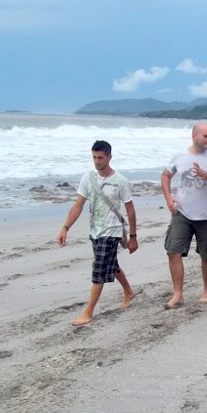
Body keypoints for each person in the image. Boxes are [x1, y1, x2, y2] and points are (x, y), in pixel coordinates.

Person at [57, 140, 139, 327]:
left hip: (112, 231)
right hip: (95, 230)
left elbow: (131, 210)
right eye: (94, 157)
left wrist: (133, 237)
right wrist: (65, 228)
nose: (97, 161)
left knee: (99, 269)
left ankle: (88, 311)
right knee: (110, 263)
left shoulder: (120, 181)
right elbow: (78, 205)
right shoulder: (88, 177)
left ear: (109, 157)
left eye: (101, 158)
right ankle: (128, 291)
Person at [161, 122, 207, 308]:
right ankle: (177, 294)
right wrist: (168, 199)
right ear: (194, 136)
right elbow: (165, 176)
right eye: (205, 136)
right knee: (173, 251)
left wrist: (205, 175)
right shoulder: (180, 156)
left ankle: (206, 291)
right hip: (181, 212)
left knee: (206, 254)